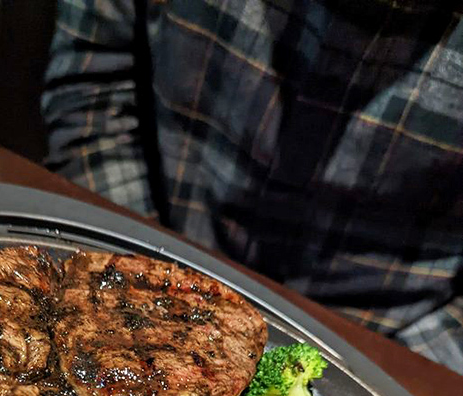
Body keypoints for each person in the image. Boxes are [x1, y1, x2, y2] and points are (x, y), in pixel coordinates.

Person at [42, 0, 463, 375]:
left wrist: (392, 380)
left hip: (391, 343)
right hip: (153, 251)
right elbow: (94, 88)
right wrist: (136, 282)